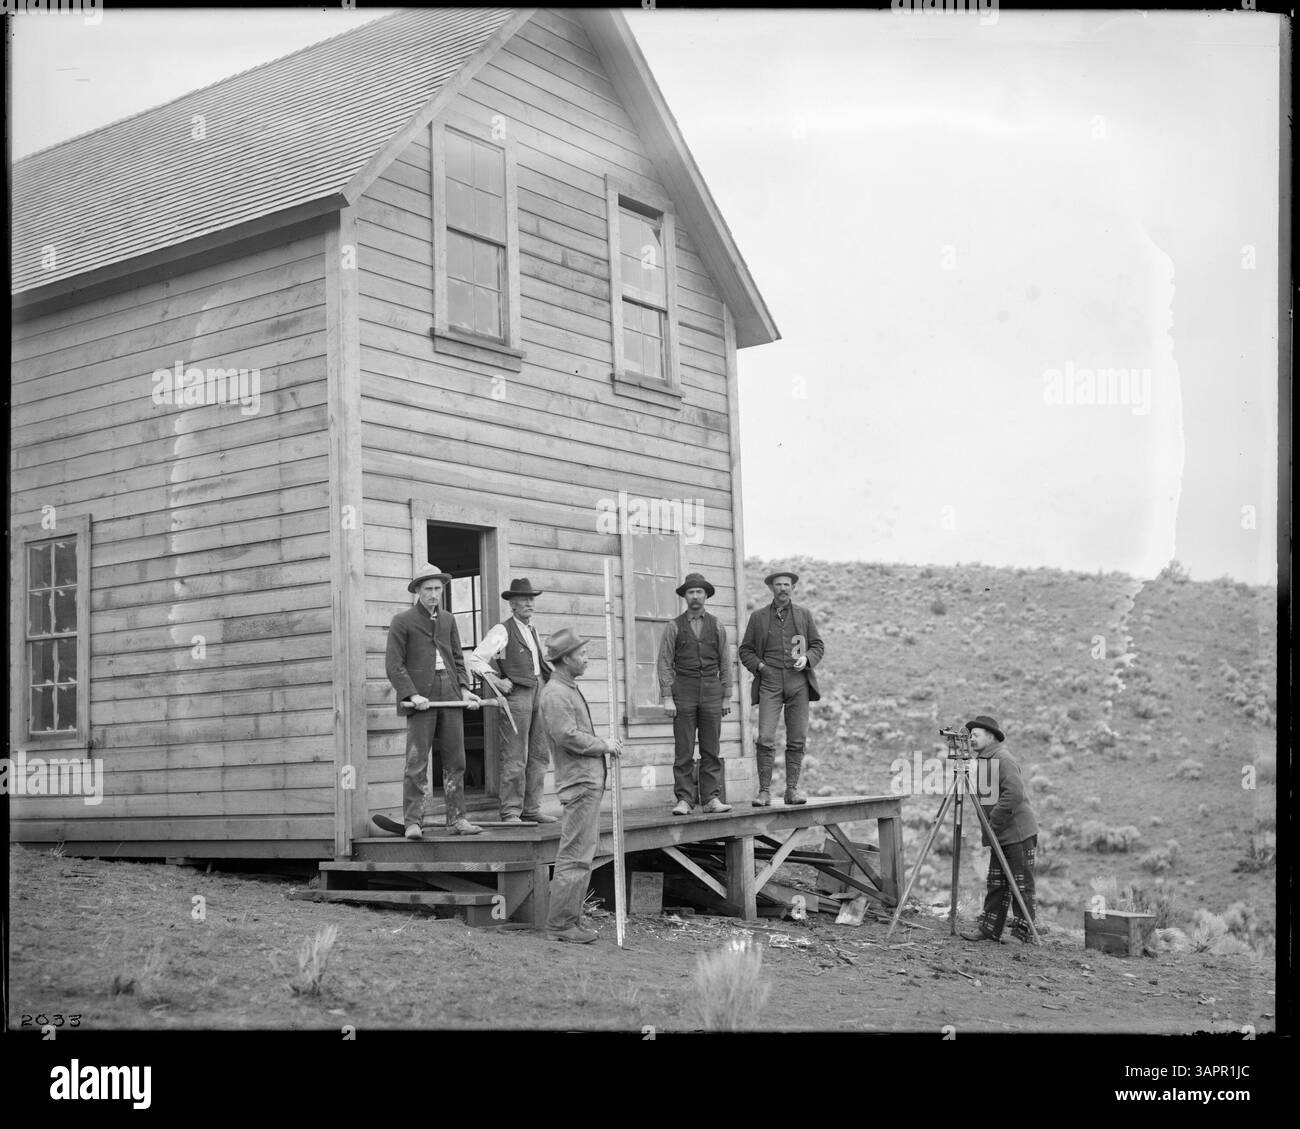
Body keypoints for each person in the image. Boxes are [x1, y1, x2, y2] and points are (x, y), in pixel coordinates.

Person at [384, 563, 483, 839]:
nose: (433, 594)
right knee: (416, 762)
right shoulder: (402, 621)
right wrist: (412, 694)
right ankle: (413, 822)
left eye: (438, 589)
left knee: (456, 759)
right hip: (420, 696)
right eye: (428, 589)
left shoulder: (449, 620)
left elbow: (458, 658)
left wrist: (464, 690)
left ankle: (458, 819)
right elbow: (394, 665)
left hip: (449, 692)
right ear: (417, 590)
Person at [539, 627, 623, 943]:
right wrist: (604, 745)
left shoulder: (567, 688)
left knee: (582, 853)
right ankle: (560, 925)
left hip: (586, 780)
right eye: (582, 654)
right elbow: (566, 736)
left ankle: (568, 921)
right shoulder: (556, 693)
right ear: (564, 660)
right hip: (579, 782)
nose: (587, 659)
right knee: (574, 854)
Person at [467, 578, 557, 825]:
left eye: (531, 599)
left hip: (540, 691)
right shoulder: (502, 630)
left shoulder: (532, 629)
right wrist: (497, 680)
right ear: (512, 604)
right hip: (517, 695)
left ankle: (531, 808)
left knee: (539, 753)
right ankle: (510, 812)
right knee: (515, 755)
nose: (529, 603)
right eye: (523, 600)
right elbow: (475, 660)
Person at [737, 568, 824, 806]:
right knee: (765, 736)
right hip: (770, 680)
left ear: (792, 588)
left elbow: (817, 645)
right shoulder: (758, 617)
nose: (782, 588)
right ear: (771, 588)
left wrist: (807, 659)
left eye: (787, 585)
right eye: (778, 585)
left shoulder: (804, 615)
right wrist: (761, 667)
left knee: (797, 738)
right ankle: (764, 791)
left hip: (798, 681)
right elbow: (745, 650)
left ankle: (792, 790)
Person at [959, 715, 1040, 944]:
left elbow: (1013, 794)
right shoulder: (983, 760)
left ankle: (1022, 934)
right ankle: (989, 929)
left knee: (1021, 884)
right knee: (997, 883)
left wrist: (992, 822)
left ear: (990, 736)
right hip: (1000, 833)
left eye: (976, 735)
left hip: (1017, 832)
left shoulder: (1002, 758)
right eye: (970, 736)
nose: (971, 739)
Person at [657, 571, 733, 815]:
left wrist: (726, 696)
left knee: (711, 748)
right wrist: (667, 696)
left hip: (712, 690)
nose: (695, 596)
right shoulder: (673, 627)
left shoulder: (717, 625)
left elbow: (726, 663)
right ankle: (685, 800)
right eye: (691, 592)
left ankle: (711, 798)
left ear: (706, 595)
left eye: (699, 592)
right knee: (684, 749)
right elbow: (664, 662)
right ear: (685, 596)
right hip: (684, 691)